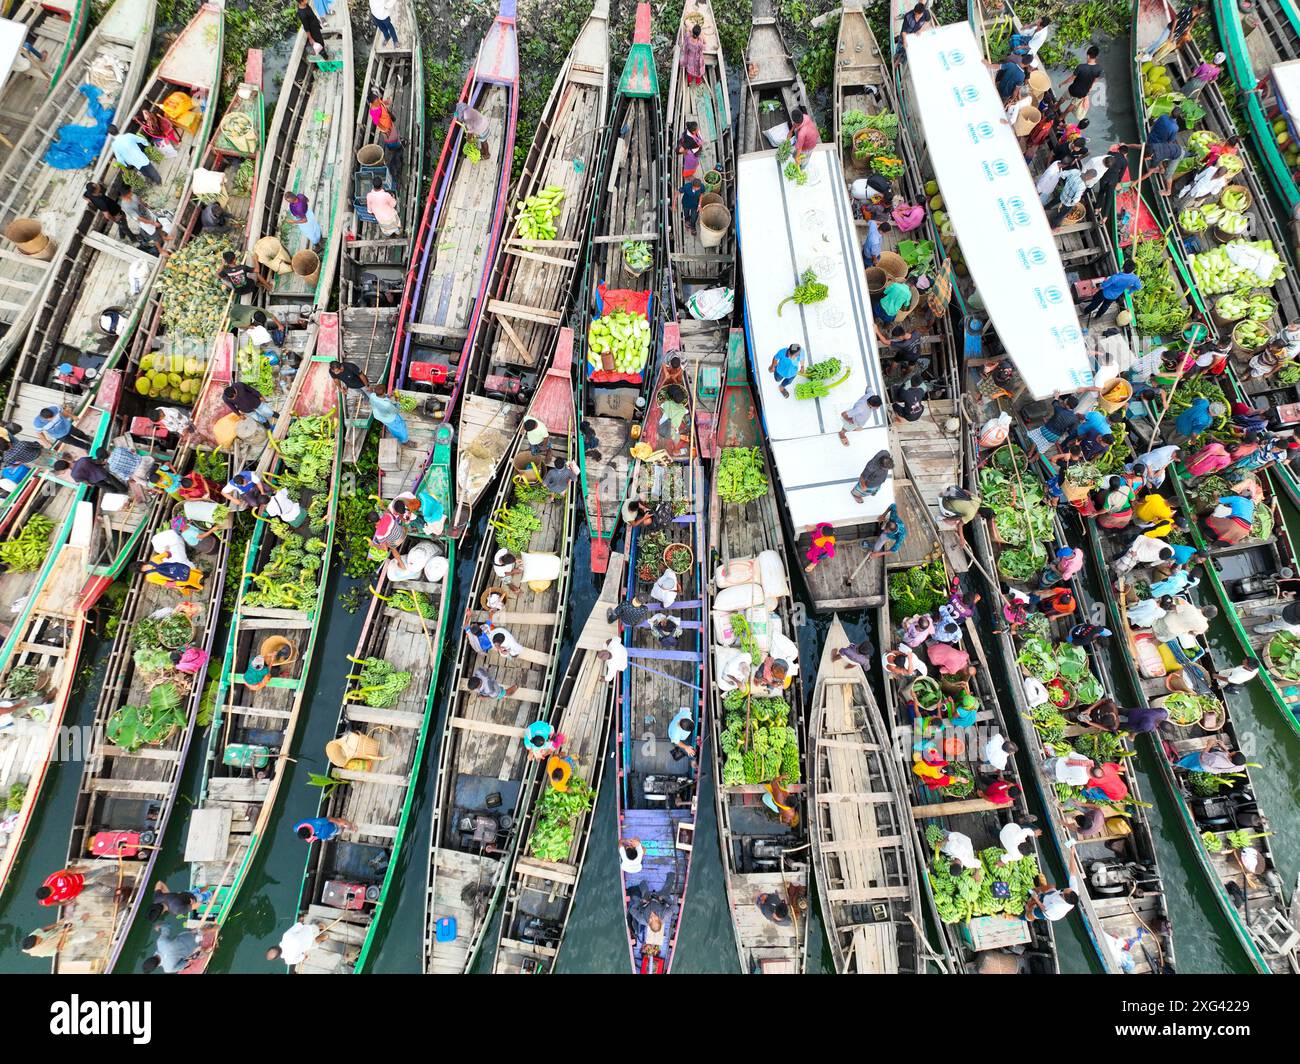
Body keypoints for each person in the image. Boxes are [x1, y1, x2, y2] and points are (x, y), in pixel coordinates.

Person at [1061, 46, 1103, 118]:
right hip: (1083, 92)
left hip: (1074, 88)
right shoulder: (1099, 69)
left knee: (1064, 97)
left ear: (1088, 55)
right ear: (1096, 56)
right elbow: (1094, 81)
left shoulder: (1081, 67)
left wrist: (1062, 83)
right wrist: (1088, 91)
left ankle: (1056, 107)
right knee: (1072, 105)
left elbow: (1071, 78)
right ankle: (1062, 117)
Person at [53, 456, 127, 493]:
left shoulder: (74, 475)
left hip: (94, 481)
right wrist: (103, 462)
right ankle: (124, 489)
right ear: (65, 460)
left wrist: (89, 484)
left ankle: (116, 492)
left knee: (106, 487)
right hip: (101, 473)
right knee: (113, 480)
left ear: (64, 469)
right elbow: (96, 462)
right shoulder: (82, 460)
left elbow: (85, 481)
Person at [1152, 599, 1216, 641]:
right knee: (1158, 637)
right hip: (1172, 633)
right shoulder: (1204, 627)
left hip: (1165, 621)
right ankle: (1152, 638)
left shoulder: (1190, 607)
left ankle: (1148, 630)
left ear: (1205, 608)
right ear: (1209, 617)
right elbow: (1192, 633)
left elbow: (1173, 607)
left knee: (1152, 626)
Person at [139, 557, 204, 596]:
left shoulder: (149, 577)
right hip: (182, 569)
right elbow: (168, 553)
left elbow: (167, 583)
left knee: (184, 586)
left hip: (179, 579)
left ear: (140, 572)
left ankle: (199, 587)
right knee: (191, 572)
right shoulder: (154, 559)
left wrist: (178, 587)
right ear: (142, 562)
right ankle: (202, 576)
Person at [1175, 740, 1246, 773]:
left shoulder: (1216, 760)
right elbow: (1228, 755)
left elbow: (1203, 756)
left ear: (1231, 758)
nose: (1234, 751)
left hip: (1201, 762)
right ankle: (1179, 764)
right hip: (1212, 764)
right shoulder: (1239, 765)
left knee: (1187, 761)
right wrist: (1223, 746)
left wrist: (1209, 744)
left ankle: (1176, 764)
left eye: (1234, 752)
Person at [680, 21, 704, 85]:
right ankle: (698, 82)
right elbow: (703, 48)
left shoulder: (688, 38)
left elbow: (687, 33)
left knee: (689, 71)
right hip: (696, 60)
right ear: (698, 35)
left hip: (689, 58)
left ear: (692, 32)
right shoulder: (699, 43)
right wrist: (702, 38)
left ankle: (689, 82)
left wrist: (689, 30)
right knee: (698, 72)